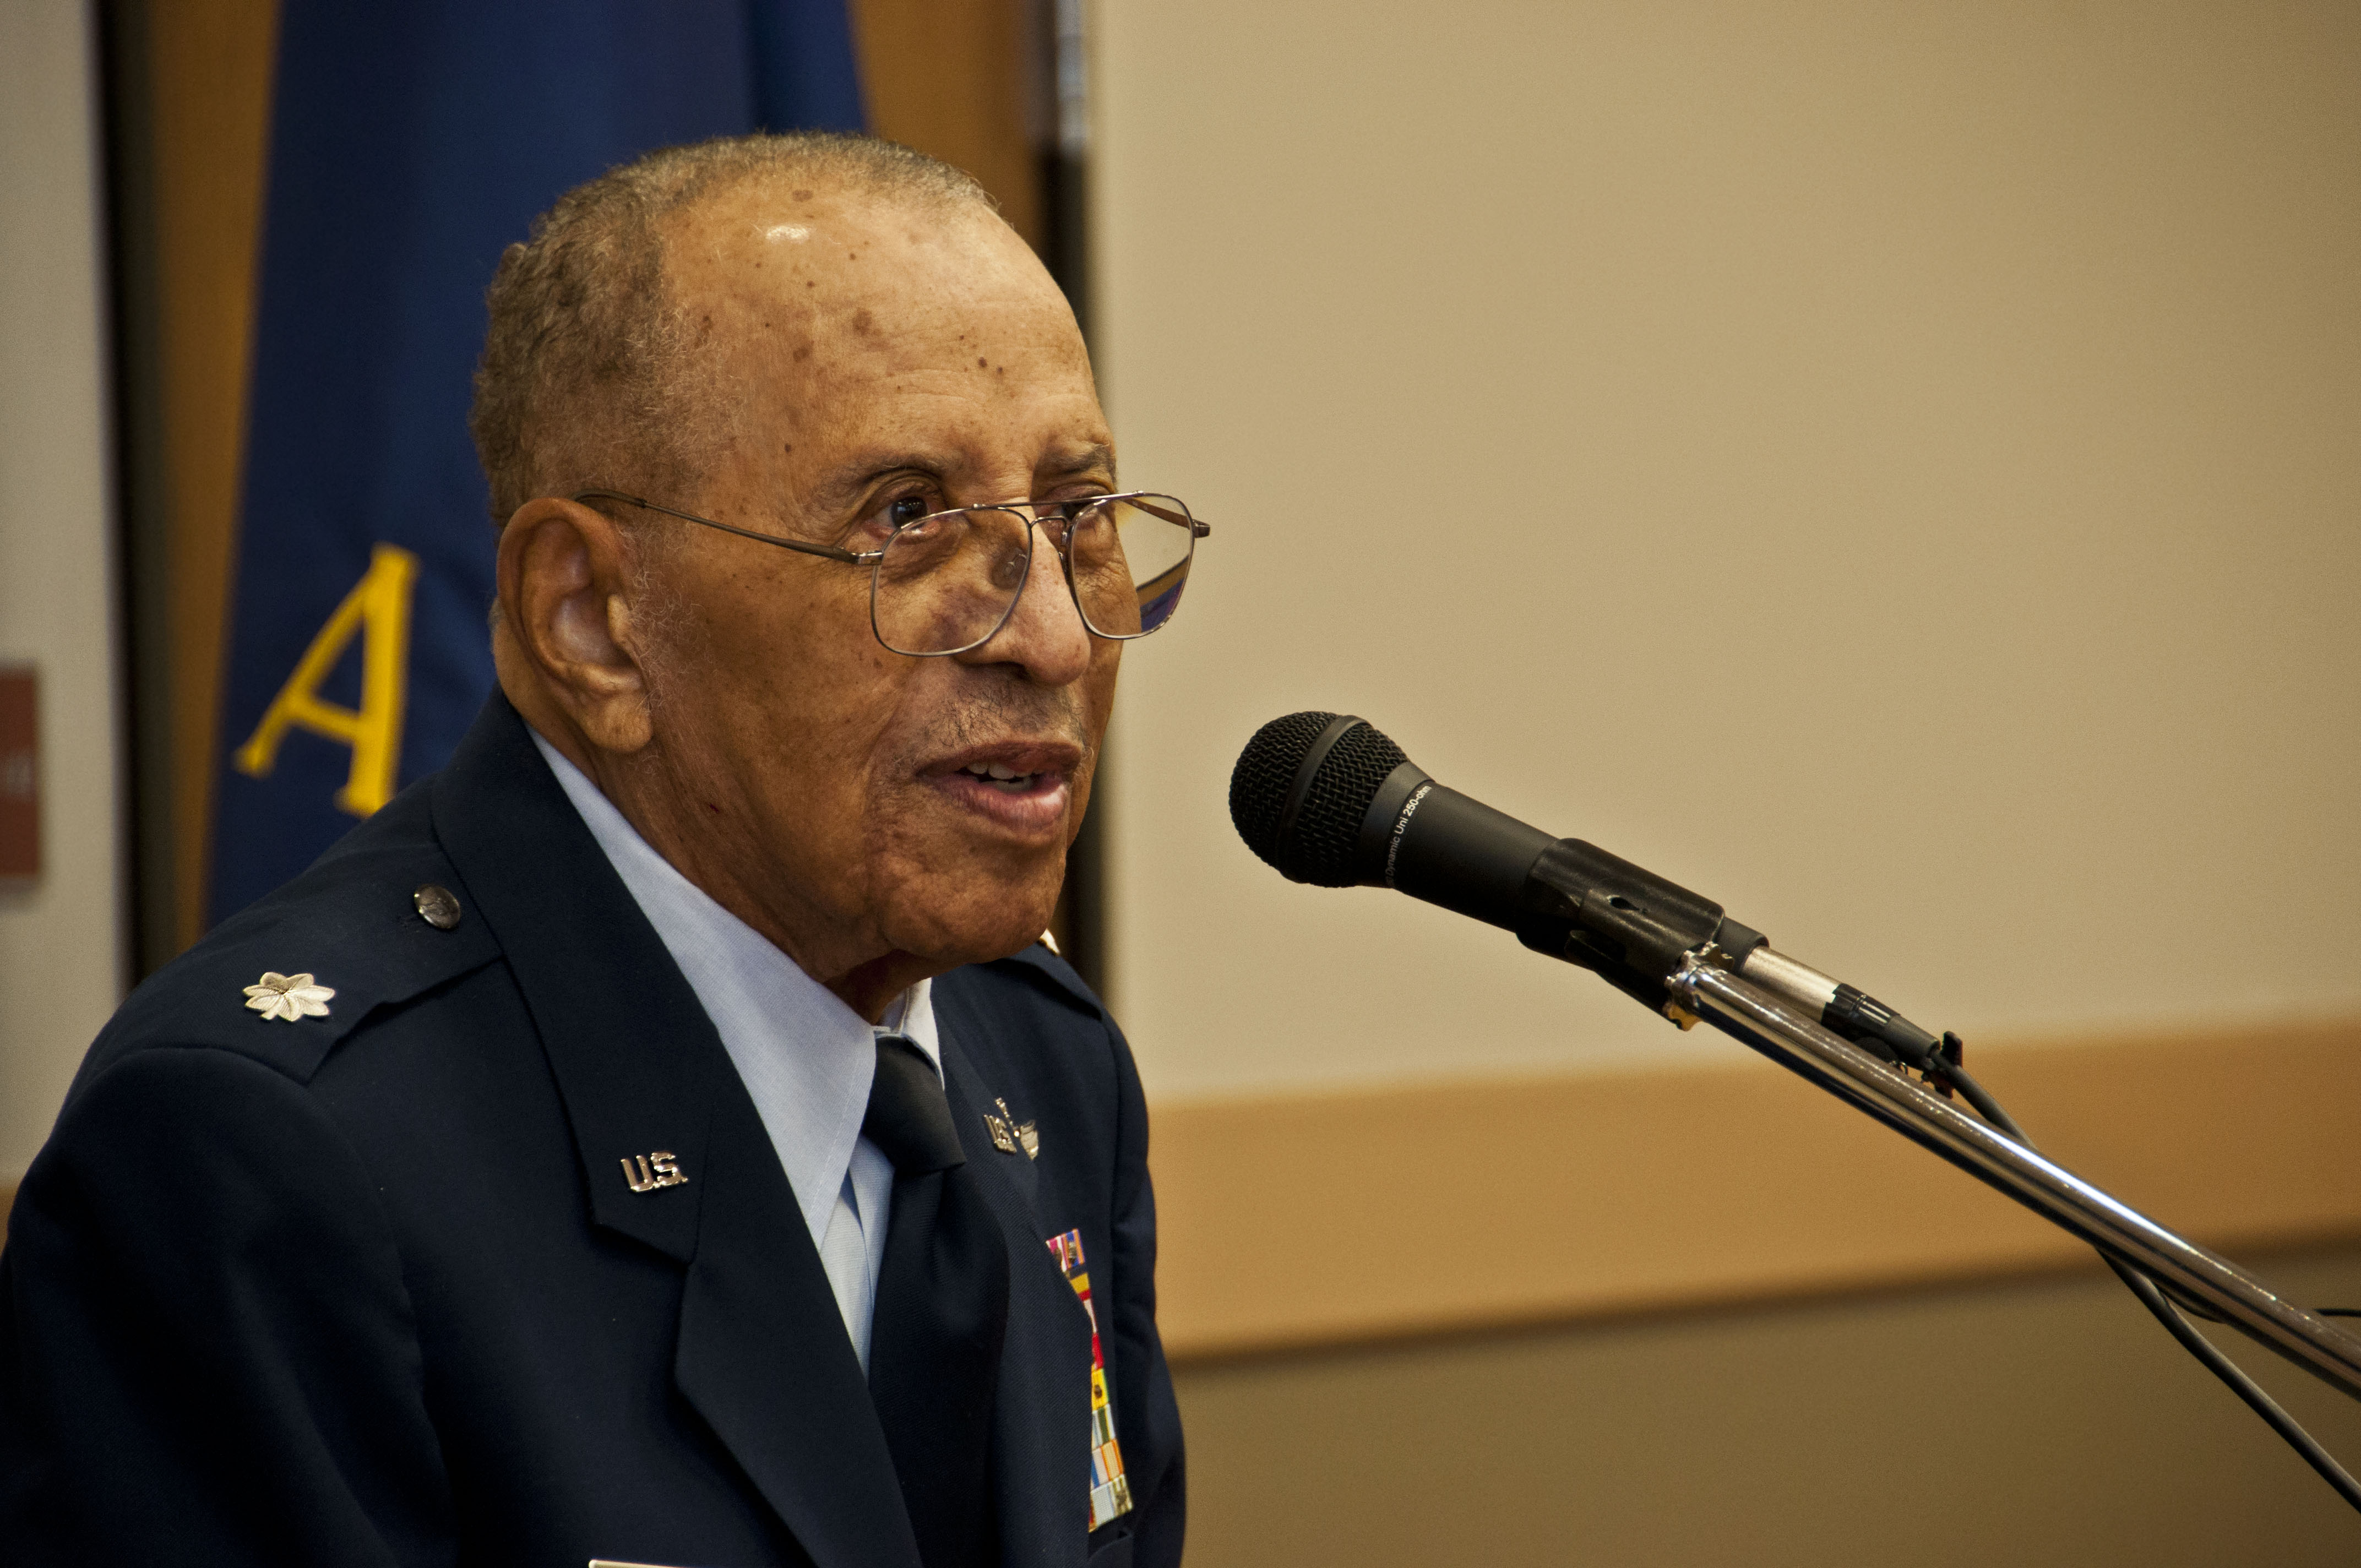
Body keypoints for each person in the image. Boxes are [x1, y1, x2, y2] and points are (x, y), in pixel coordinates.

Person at [0, 133, 1194, 1567]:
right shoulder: (274, 1153)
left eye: (1078, 519)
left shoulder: (1040, 1059)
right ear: (593, 623)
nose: (1057, 634)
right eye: (909, 521)